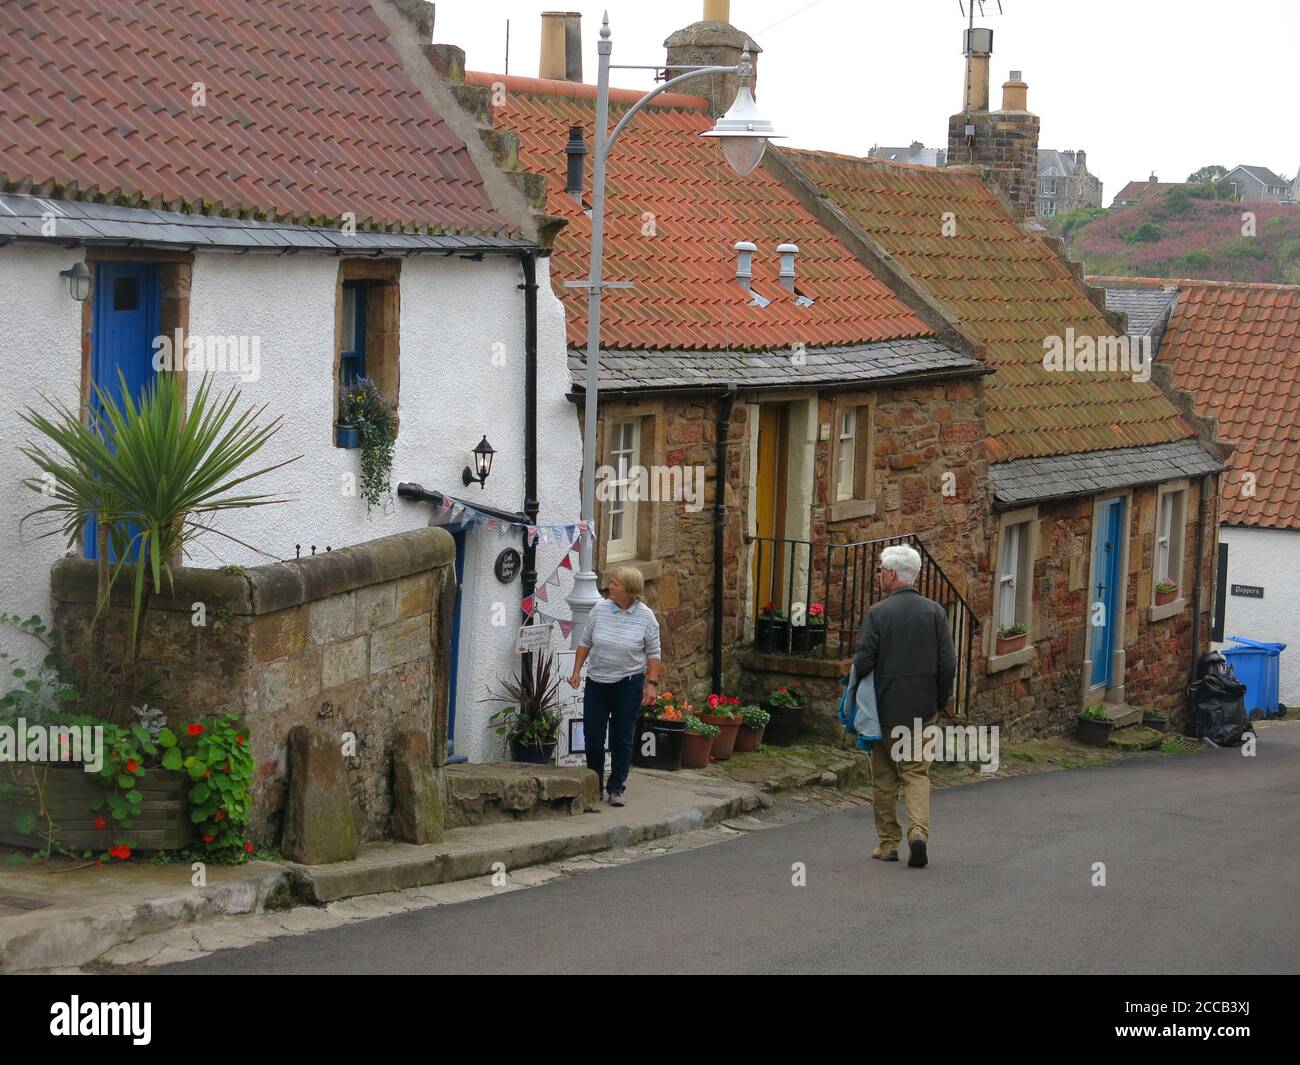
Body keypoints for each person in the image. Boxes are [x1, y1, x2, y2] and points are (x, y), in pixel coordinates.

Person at [853, 544, 956, 868]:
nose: (878, 575)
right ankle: (918, 833)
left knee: (885, 778)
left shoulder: (877, 614)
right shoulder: (935, 612)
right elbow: (948, 664)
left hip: (885, 709)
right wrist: (939, 700)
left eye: (881, 569)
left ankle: (887, 844)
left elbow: (865, 661)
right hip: (922, 709)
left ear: (893, 574)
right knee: (916, 773)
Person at [569, 566, 661, 807]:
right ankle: (595, 785)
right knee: (593, 736)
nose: (611, 587)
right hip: (597, 682)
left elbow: (654, 654)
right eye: (612, 583)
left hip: (628, 683)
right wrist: (577, 670)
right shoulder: (599, 609)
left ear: (630, 591)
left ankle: (616, 787)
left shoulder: (646, 617)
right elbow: (585, 642)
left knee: (622, 736)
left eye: (616, 584)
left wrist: (651, 684)